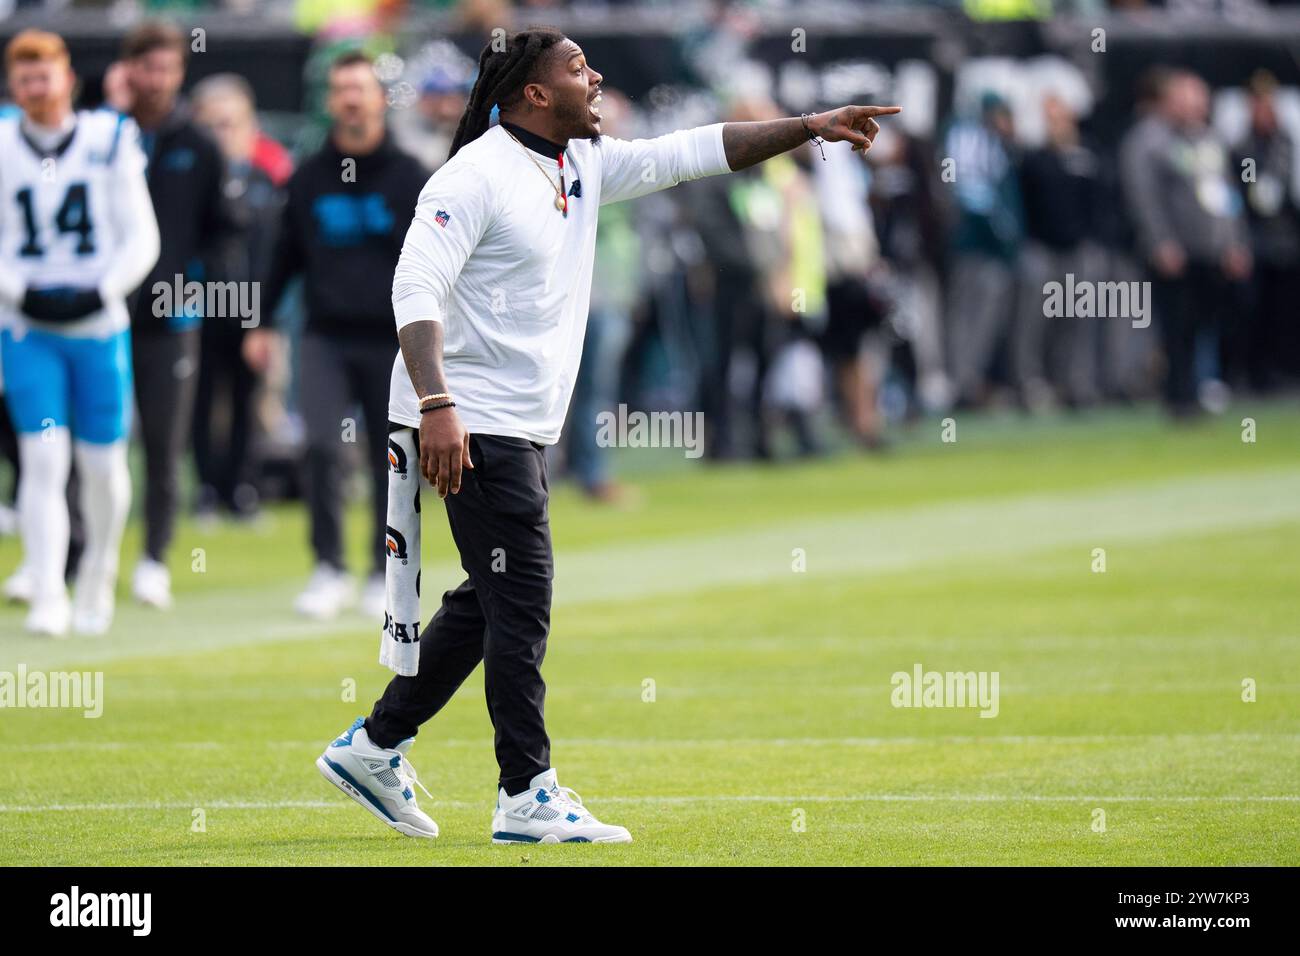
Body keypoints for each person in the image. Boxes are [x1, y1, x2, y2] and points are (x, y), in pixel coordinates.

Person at [314, 26, 899, 844]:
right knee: (522, 604)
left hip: (510, 421)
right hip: (470, 419)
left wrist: (806, 125)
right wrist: (438, 403)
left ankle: (374, 745)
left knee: (489, 598)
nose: (597, 78)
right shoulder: (474, 172)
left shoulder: (579, 162)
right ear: (534, 94)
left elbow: (692, 151)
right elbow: (414, 288)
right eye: (578, 68)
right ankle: (526, 791)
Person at [244, 51, 428, 620]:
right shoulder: (307, 177)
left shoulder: (411, 176)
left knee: (391, 459)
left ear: (380, 98)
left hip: (394, 340)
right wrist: (262, 321)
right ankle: (329, 567)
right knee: (321, 446)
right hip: (323, 335)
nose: (350, 98)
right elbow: (283, 256)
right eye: (341, 89)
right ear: (330, 101)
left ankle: (384, 570)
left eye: (361, 88)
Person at [0, 29, 159, 635]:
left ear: (68, 78)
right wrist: (19, 290)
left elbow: (141, 235)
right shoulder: (4, 141)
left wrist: (104, 287)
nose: (37, 89)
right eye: (25, 79)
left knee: (102, 465)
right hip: (27, 327)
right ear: (14, 87)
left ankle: (97, 565)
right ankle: (47, 589)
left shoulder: (109, 137)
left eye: (46, 75)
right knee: (42, 459)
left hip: (97, 326)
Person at [120, 21, 229, 608]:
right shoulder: (103, 136)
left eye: (166, 68)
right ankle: (75, 552)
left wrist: (194, 288)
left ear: (179, 73)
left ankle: (154, 557)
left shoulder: (199, 144)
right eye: (147, 67)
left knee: (164, 445)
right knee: (87, 442)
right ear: (129, 70)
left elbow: (224, 231)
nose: (156, 79)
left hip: (168, 320)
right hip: (98, 313)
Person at [191, 74, 285, 522]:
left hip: (253, 308)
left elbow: (274, 254)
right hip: (202, 305)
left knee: (251, 400)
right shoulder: (192, 182)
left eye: (231, 124)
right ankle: (208, 486)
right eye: (214, 125)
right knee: (202, 398)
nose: (223, 134)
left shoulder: (267, 182)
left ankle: (243, 487)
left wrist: (265, 318)